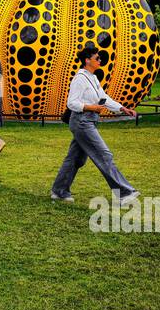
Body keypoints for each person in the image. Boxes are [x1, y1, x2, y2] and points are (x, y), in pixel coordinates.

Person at [51, 44, 140, 206]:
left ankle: (59, 190)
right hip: (82, 121)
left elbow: (103, 98)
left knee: (75, 158)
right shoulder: (80, 78)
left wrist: (122, 108)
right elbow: (72, 103)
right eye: (97, 58)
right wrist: (91, 107)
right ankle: (124, 193)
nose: (100, 60)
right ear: (87, 60)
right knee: (103, 154)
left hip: (88, 120)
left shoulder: (92, 77)